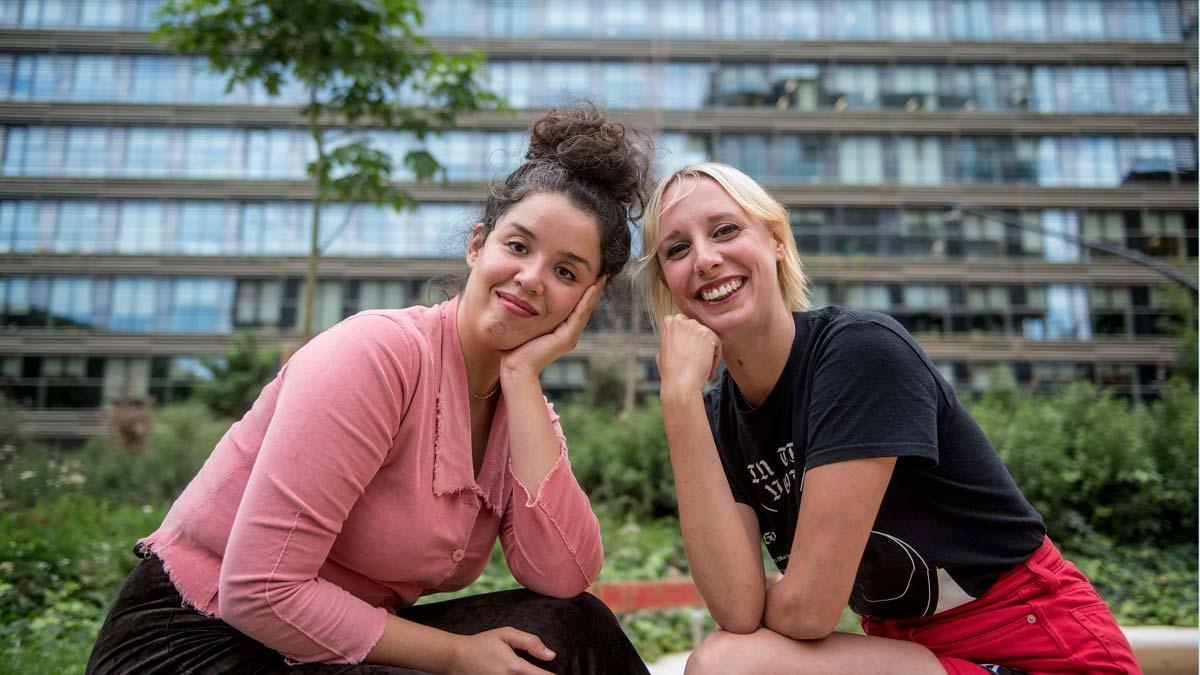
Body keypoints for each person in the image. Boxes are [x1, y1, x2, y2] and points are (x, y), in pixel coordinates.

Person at [86, 106, 653, 675]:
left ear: (588, 300)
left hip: (317, 648)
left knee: (571, 629)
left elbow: (563, 577)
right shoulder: (378, 355)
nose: (531, 277)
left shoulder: (518, 405)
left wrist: (523, 377)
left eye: (566, 272)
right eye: (519, 246)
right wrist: (456, 655)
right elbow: (259, 590)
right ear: (477, 245)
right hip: (191, 642)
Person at [639, 162, 1141, 675]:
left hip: (1042, 649)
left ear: (776, 241)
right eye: (677, 249)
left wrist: (768, 594)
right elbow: (735, 610)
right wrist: (679, 399)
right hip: (918, 653)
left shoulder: (859, 353)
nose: (705, 258)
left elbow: (809, 610)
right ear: (668, 283)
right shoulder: (717, 416)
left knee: (730, 666)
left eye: (726, 230)